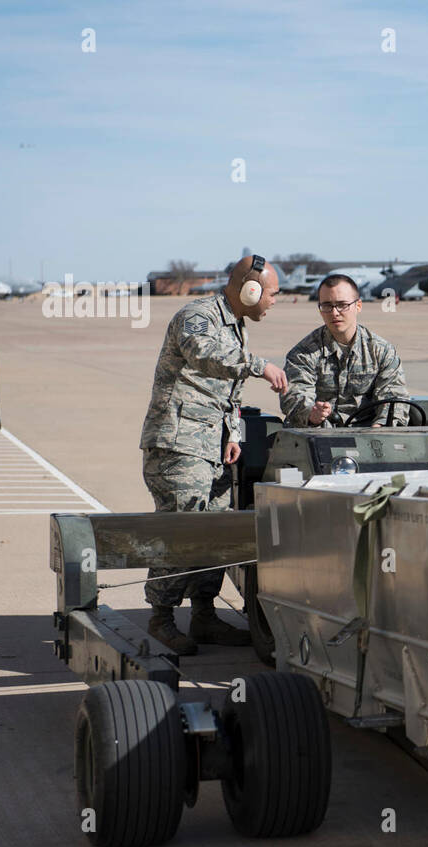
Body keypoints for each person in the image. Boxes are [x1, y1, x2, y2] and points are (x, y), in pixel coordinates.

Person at [138, 255, 288, 654]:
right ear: (250, 290)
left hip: (213, 447)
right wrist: (259, 366)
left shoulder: (237, 326)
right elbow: (203, 354)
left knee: (217, 531)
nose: (274, 301)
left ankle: (203, 615)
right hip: (178, 444)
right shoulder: (199, 315)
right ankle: (161, 618)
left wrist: (233, 433)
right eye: (271, 293)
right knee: (183, 528)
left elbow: (228, 394)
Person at [279, 274, 410, 429]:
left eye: (342, 305)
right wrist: (311, 414)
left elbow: (394, 397)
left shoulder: (381, 351)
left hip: (369, 436)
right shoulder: (303, 354)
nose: (334, 313)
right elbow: (294, 396)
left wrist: (380, 428)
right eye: (327, 306)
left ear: (358, 306)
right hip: (319, 436)